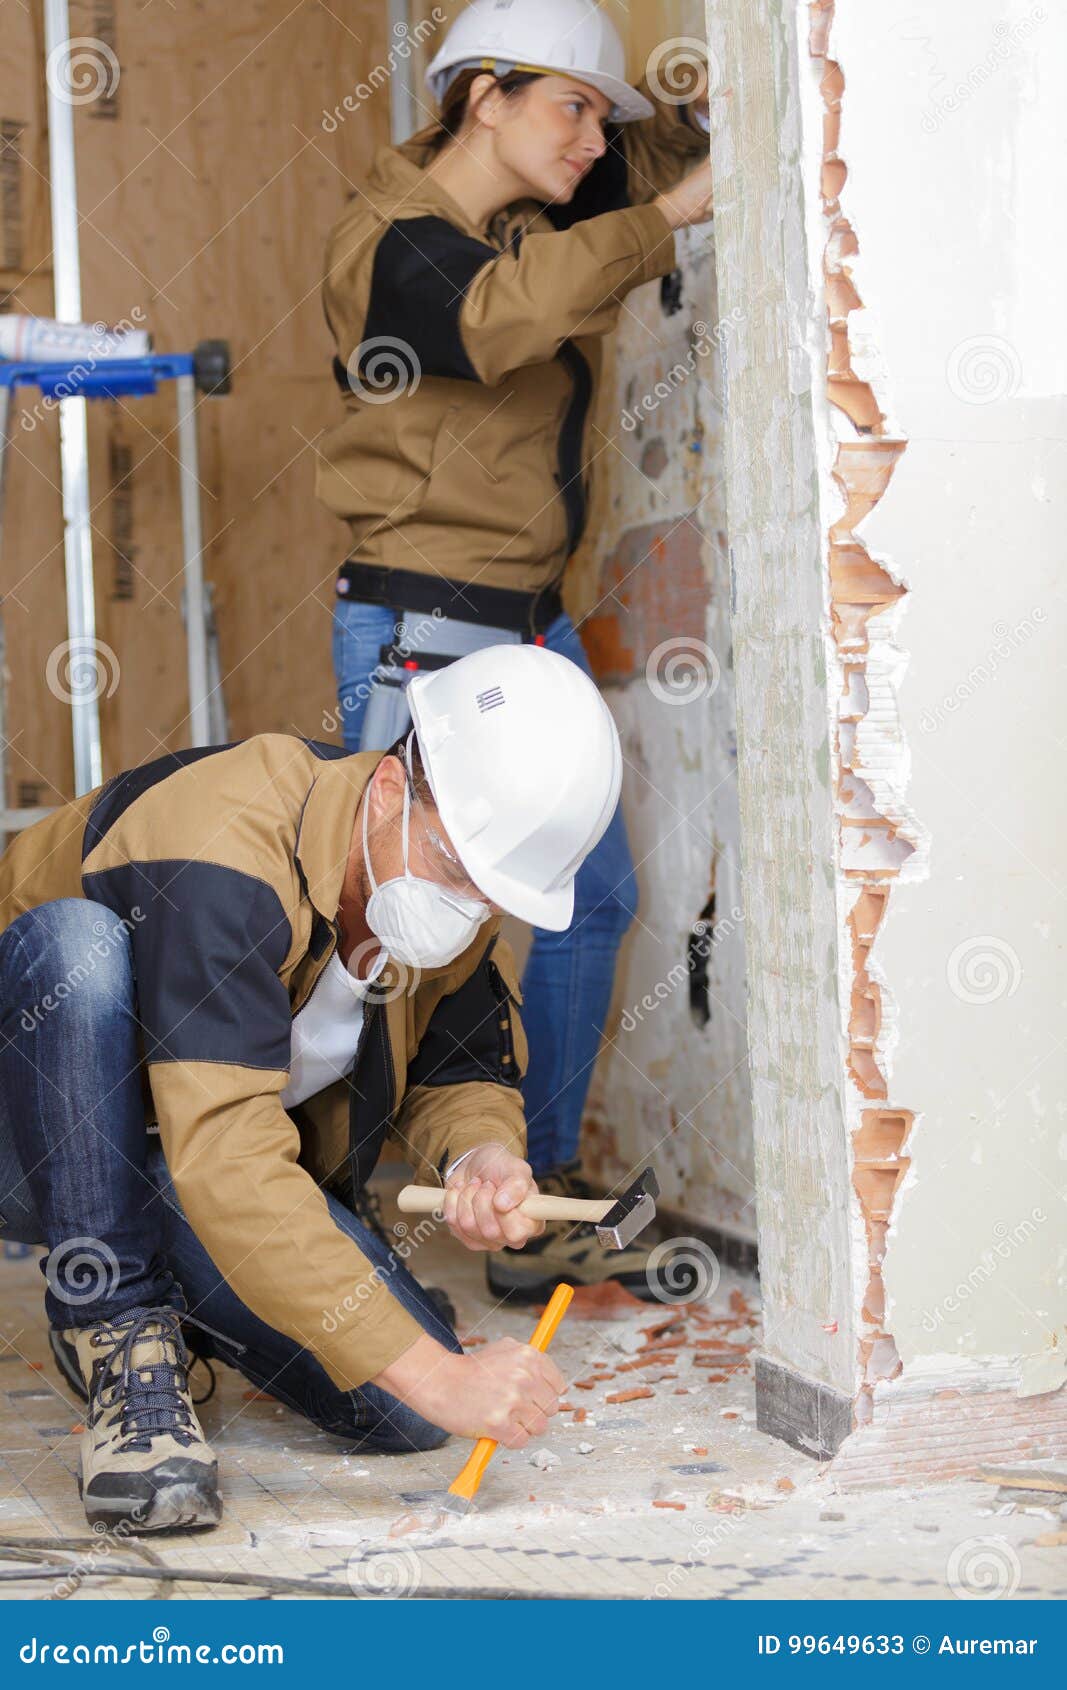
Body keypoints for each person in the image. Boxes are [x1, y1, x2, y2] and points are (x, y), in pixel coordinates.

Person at [0, 645, 617, 1533]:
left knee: (401, 1410)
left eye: (492, 897)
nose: (470, 911)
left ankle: (182, 1299)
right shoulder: (222, 840)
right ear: (390, 791)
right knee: (79, 951)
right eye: (455, 872)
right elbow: (228, 1156)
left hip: (180, 1157)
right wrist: (440, 1373)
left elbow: (461, 1071)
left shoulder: (449, 900)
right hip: (39, 1136)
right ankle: (116, 1324)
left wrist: (482, 1157)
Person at [320, 0, 713, 1304]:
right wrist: (665, 213)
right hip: (421, 627)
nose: (595, 138)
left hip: (525, 624)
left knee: (586, 898)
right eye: (569, 105)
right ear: (479, 93)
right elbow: (497, 318)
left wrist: (678, 97)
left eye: (604, 115)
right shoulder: (391, 247)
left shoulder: (538, 224)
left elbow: (660, 169)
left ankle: (522, 1196)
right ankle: (320, 1222)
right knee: (394, 934)